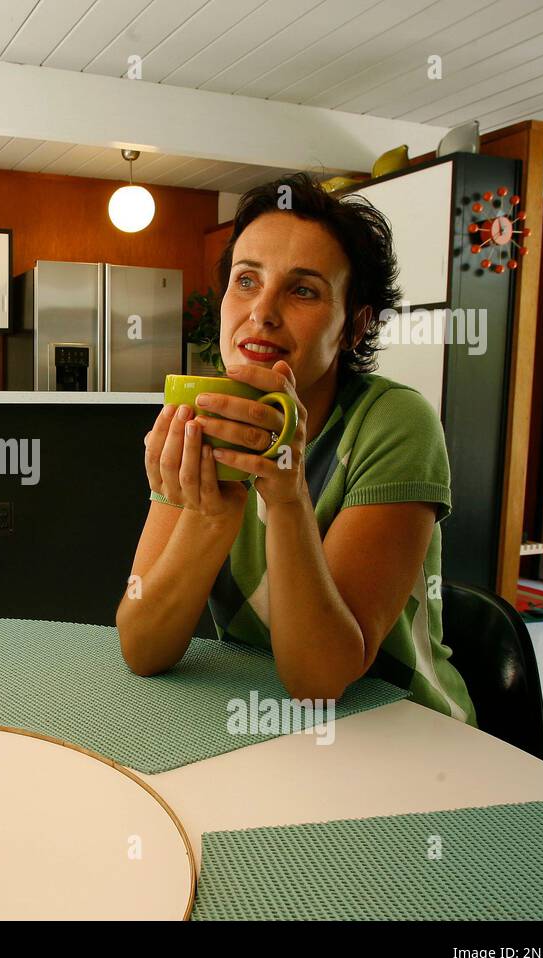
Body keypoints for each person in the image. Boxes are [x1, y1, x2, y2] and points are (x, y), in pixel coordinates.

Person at [116, 172, 475, 725]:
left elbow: (322, 679)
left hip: (402, 728)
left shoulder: (394, 423)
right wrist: (209, 516)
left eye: (303, 289)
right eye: (246, 281)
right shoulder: (207, 415)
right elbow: (142, 648)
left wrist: (286, 500)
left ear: (354, 326)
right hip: (260, 721)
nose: (262, 311)